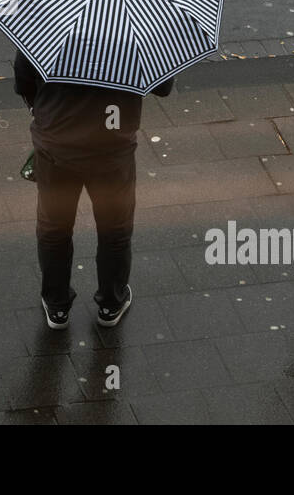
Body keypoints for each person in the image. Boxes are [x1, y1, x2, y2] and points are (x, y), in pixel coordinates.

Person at [14, 48, 174, 330]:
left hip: (56, 148)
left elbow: (24, 83)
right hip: (111, 151)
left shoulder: (47, 26)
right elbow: (162, 87)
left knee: (54, 229)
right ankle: (111, 304)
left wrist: (45, 112)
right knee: (115, 230)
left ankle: (57, 305)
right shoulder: (135, 34)